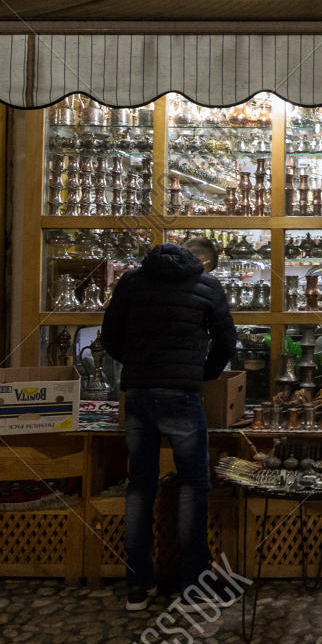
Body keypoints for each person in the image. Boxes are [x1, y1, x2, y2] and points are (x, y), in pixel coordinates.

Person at [101, 241, 235, 611]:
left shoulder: (131, 281)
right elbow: (227, 342)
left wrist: (139, 364)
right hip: (182, 395)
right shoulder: (206, 286)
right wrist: (202, 374)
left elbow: (109, 337)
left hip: (139, 393)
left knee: (139, 486)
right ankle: (194, 587)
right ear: (202, 261)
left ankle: (138, 586)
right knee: (194, 485)